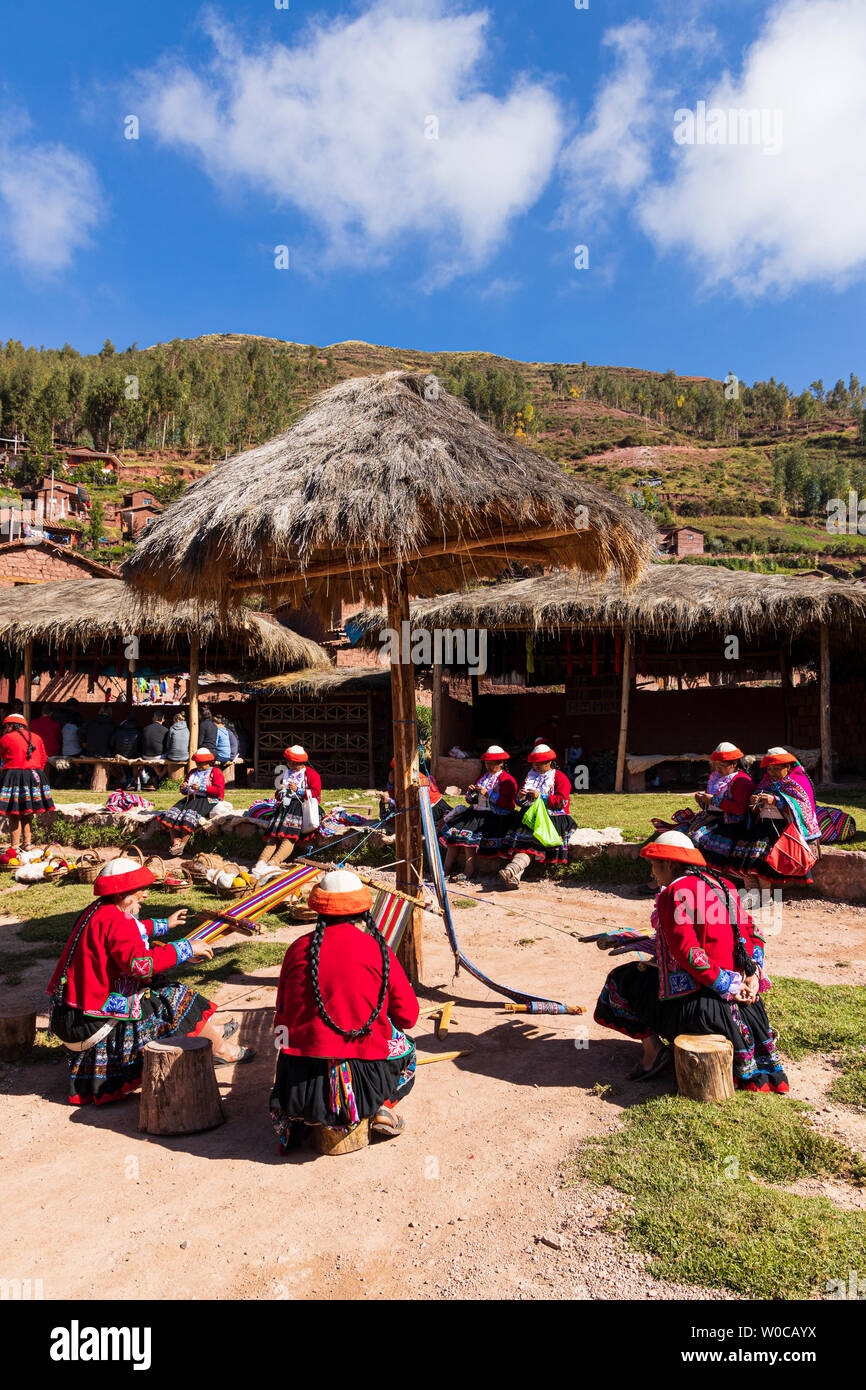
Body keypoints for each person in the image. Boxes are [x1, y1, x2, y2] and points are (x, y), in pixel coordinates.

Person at [594, 830, 788, 1091]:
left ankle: (653, 1054)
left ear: (669, 864)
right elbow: (751, 933)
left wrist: (728, 986)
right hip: (746, 1001)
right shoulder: (723, 885)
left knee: (621, 980)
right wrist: (751, 974)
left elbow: (690, 954)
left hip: (702, 1007)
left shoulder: (673, 894)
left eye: (654, 865)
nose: (652, 873)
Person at [47, 856, 250, 1106]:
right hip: (91, 1021)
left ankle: (210, 1034)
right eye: (140, 890)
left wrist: (165, 925)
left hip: (75, 1011)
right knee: (172, 996)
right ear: (124, 894)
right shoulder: (116, 920)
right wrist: (185, 949)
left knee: (158, 986)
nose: (145, 895)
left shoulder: (101, 910)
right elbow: (139, 965)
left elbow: (131, 931)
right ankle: (220, 1050)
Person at [270, 869, 418, 1151]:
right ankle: (383, 1106)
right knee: (407, 1049)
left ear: (317, 907)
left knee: (293, 1047)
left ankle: (300, 1119)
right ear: (362, 909)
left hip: (299, 1088)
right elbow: (408, 1017)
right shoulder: (378, 949)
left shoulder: (297, 949)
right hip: (365, 1087)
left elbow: (282, 1021)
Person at [727, 748, 821, 888]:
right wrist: (755, 802)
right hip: (764, 825)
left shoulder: (796, 784)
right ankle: (751, 889)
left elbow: (802, 808)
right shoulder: (767, 782)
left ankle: (766, 895)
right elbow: (755, 808)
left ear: (787, 767)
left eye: (777, 769)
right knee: (743, 849)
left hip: (783, 828)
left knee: (762, 851)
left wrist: (776, 800)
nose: (773, 773)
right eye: (770, 770)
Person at [497, 743, 576, 889]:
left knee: (530, 843)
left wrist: (542, 797)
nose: (536, 767)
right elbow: (520, 802)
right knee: (523, 843)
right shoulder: (530, 776)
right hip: (529, 816)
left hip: (551, 818)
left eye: (540, 764)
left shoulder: (560, 778)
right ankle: (514, 875)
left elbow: (562, 801)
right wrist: (520, 797)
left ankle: (512, 870)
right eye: (535, 764)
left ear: (549, 762)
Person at [439, 745, 518, 882]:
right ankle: (444, 869)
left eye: (492, 764)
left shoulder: (507, 780)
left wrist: (488, 794)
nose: (488, 767)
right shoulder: (483, 777)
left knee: (468, 836)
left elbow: (506, 803)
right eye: (487, 763)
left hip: (495, 815)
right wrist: (471, 793)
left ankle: (468, 871)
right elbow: (472, 802)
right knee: (455, 832)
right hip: (477, 812)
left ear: (501, 763)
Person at [252, 744, 322, 876]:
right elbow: (277, 795)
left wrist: (298, 790)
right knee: (273, 837)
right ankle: (260, 863)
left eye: (293, 763)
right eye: (289, 762)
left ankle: (273, 863)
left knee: (289, 837)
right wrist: (281, 791)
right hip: (284, 808)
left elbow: (316, 794)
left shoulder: (311, 775)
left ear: (301, 762)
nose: (290, 765)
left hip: (300, 809)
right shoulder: (286, 773)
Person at [0, 713, 54, 856]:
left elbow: (2, 757)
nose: (5, 729)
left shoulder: (6, 738)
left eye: (6, 726)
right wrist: (33, 774)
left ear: (11, 725)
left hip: (14, 776)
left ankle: (15, 846)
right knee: (27, 810)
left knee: (14, 812)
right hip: (34, 776)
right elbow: (43, 758)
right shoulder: (36, 737)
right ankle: (27, 844)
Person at [157, 748, 226, 854]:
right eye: (197, 762)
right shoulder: (193, 772)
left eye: (201, 763)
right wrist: (184, 788)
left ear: (208, 762)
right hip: (191, 798)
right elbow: (185, 790)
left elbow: (218, 791)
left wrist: (202, 788)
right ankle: (175, 842)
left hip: (207, 799)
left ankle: (183, 844)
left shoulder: (216, 772)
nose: (198, 765)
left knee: (189, 816)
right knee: (172, 813)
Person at [379, 758, 447, 827]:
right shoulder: (412, 775)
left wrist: (390, 801)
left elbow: (406, 805)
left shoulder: (411, 780)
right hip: (432, 806)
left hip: (431, 809)